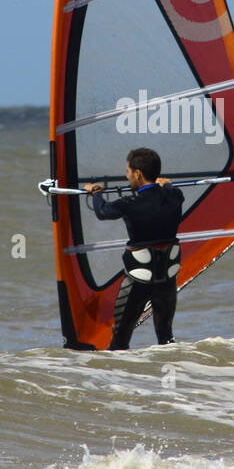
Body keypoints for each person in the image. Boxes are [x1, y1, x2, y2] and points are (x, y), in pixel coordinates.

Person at [83, 148, 183, 350]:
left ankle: (118, 380)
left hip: (138, 281)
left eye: (128, 172)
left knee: (119, 341)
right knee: (166, 337)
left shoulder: (130, 203)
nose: (126, 176)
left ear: (138, 173)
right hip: (166, 280)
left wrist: (96, 192)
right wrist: (167, 185)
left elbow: (102, 212)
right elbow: (172, 193)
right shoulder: (174, 197)